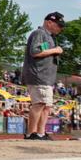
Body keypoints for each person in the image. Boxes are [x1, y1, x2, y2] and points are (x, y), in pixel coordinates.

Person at [19, 12, 67, 140]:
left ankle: (40, 133)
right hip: (38, 75)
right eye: (58, 25)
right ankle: (31, 133)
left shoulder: (49, 36)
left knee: (46, 106)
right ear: (49, 22)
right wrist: (56, 50)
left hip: (46, 77)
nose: (60, 29)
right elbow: (35, 52)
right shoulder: (39, 33)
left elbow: (41, 51)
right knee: (39, 103)